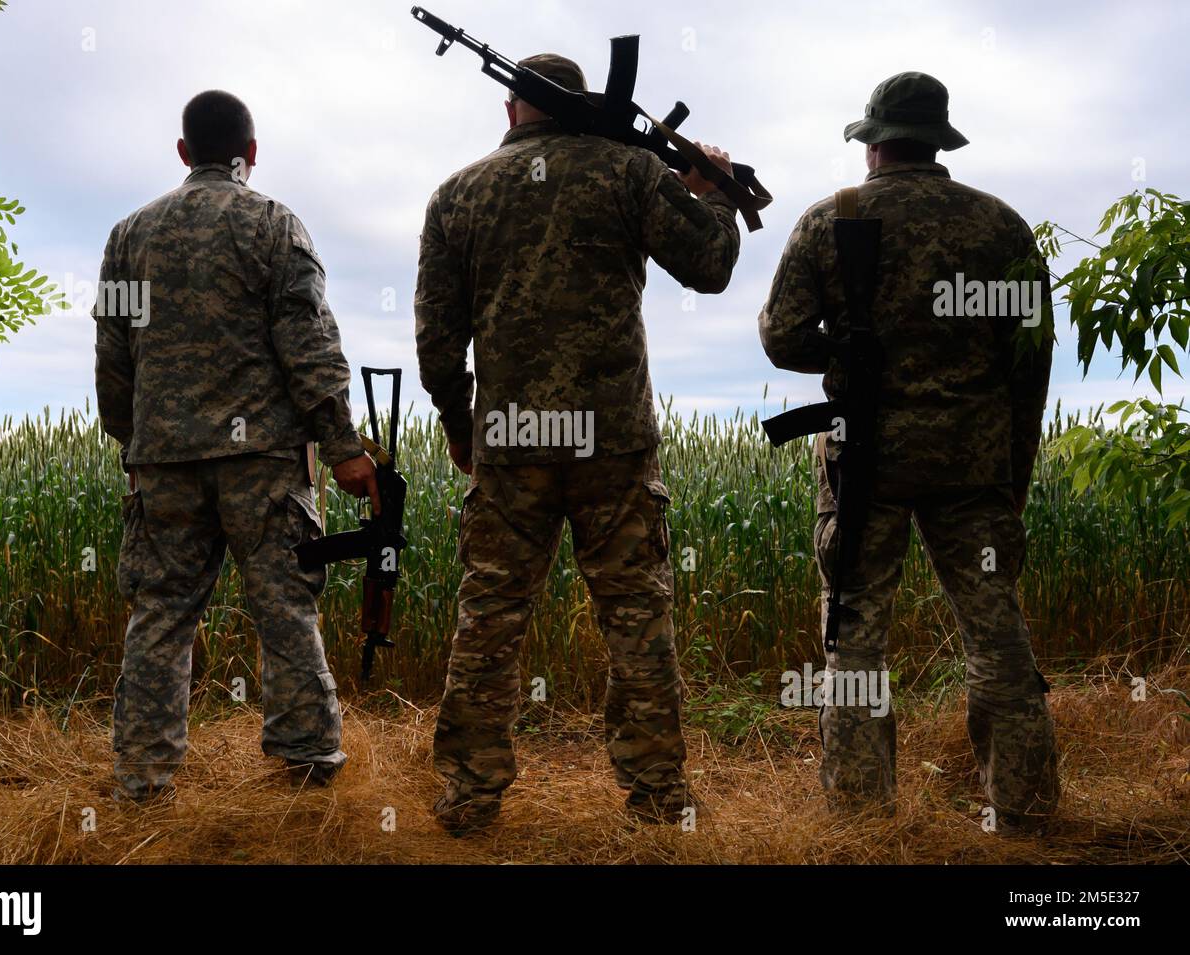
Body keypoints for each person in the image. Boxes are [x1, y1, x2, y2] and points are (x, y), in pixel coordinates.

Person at [415, 53, 742, 832]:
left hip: (509, 443)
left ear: (510, 110)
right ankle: (659, 794)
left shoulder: (458, 194)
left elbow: (436, 344)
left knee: (490, 611)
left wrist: (465, 433)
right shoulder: (627, 171)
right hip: (615, 442)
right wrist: (716, 197)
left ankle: (470, 792)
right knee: (635, 612)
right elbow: (712, 267)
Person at [758, 72, 1059, 830]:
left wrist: (853, 349)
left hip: (867, 464)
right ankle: (1023, 811)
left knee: (855, 643)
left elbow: (781, 337)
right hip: (972, 466)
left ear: (872, 142)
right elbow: (1030, 364)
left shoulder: (832, 219)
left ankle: (862, 820)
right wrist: (1010, 478)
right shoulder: (1001, 227)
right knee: (998, 636)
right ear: (938, 139)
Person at [94, 89, 378, 802]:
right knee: (285, 609)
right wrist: (344, 447)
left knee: (159, 615)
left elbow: (112, 359)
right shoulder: (274, 225)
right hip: (263, 465)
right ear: (251, 154)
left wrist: (135, 445)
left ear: (184, 152)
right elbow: (309, 346)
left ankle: (142, 777)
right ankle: (307, 763)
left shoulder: (130, 235)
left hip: (163, 463)